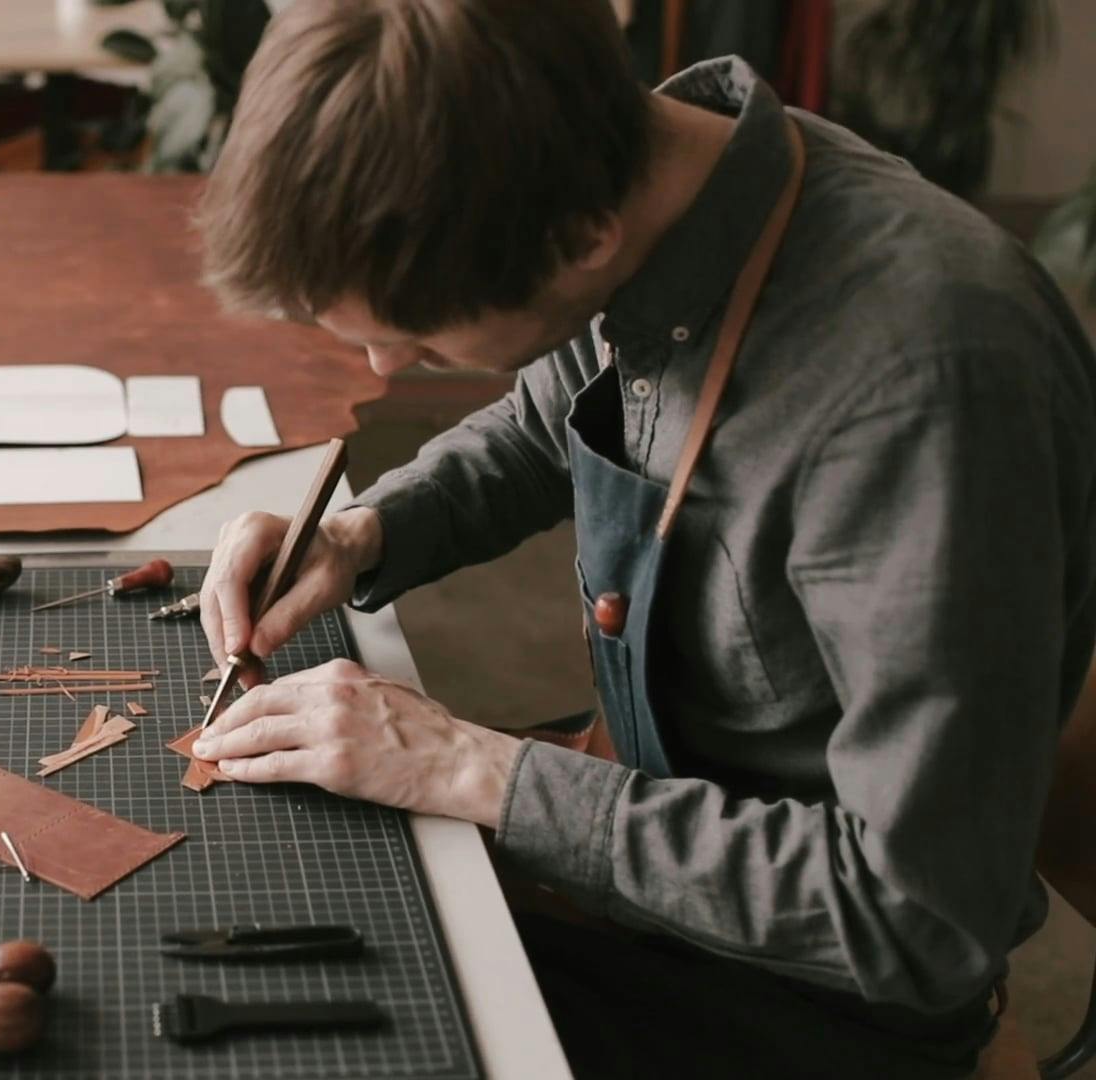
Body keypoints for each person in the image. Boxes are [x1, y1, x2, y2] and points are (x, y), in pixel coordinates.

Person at [186, 1, 1096, 1076]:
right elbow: (549, 422)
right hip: (656, 812)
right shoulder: (665, 192)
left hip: (819, 982)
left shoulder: (919, 388)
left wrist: (476, 769)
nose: (387, 369)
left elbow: (917, 923)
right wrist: (363, 533)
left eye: (416, 333)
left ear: (579, 241)